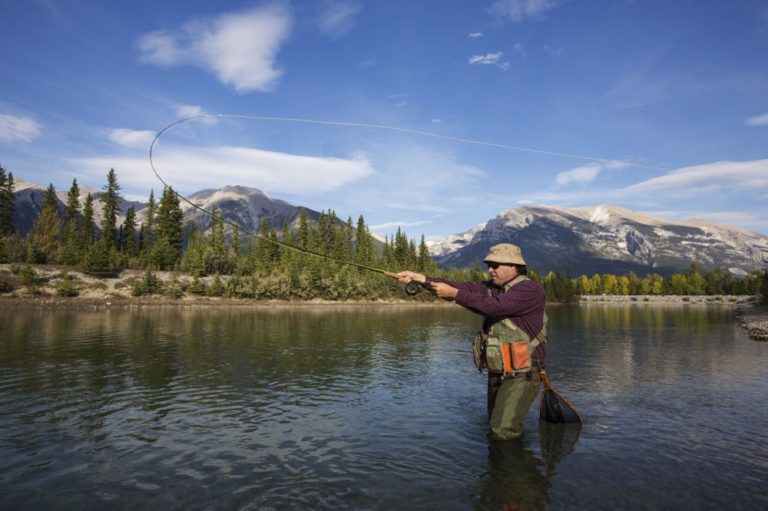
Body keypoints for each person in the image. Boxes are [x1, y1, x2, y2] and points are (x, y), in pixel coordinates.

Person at [394, 243, 546, 440]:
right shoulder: (492, 288)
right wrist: (419, 278)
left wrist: (454, 295)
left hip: (523, 372)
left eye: (495, 265)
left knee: (503, 432)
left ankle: (512, 469)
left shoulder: (529, 290)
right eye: (489, 265)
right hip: (499, 369)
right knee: (494, 424)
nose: (490, 270)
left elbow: (494, 307)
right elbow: (458, 287)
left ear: (514, 267)